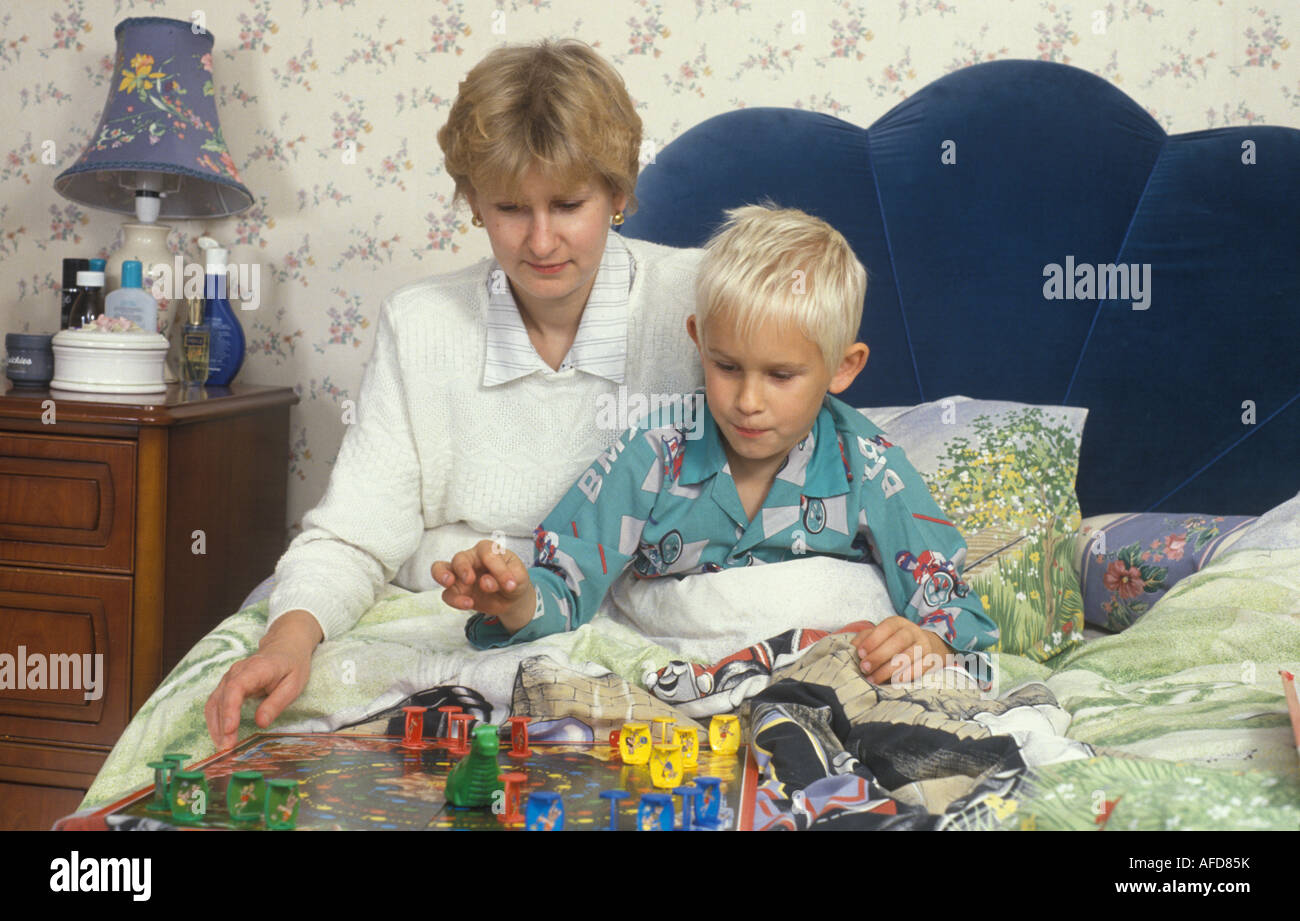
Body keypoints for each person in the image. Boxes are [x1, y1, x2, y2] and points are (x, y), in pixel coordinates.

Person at [205, 39, 706, 748]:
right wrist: (288, 642)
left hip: (636, 629)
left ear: (619, 194)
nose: (540, 240)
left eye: (568, 203)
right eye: (508, 207)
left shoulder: (701, 300)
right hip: (440, 629)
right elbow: (353, 535)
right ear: (472, 202)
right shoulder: (422, 323)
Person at [433, 204, 999, 684]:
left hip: (818, 678)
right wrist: (514, 600)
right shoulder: (653, 453)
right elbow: (567, 582)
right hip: (680, 675)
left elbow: (950, 602)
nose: (747, 400)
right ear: (698, 343)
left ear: (842, 368)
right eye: (727, 366)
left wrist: (929, 642)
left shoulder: (870, 466)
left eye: (781, 376)